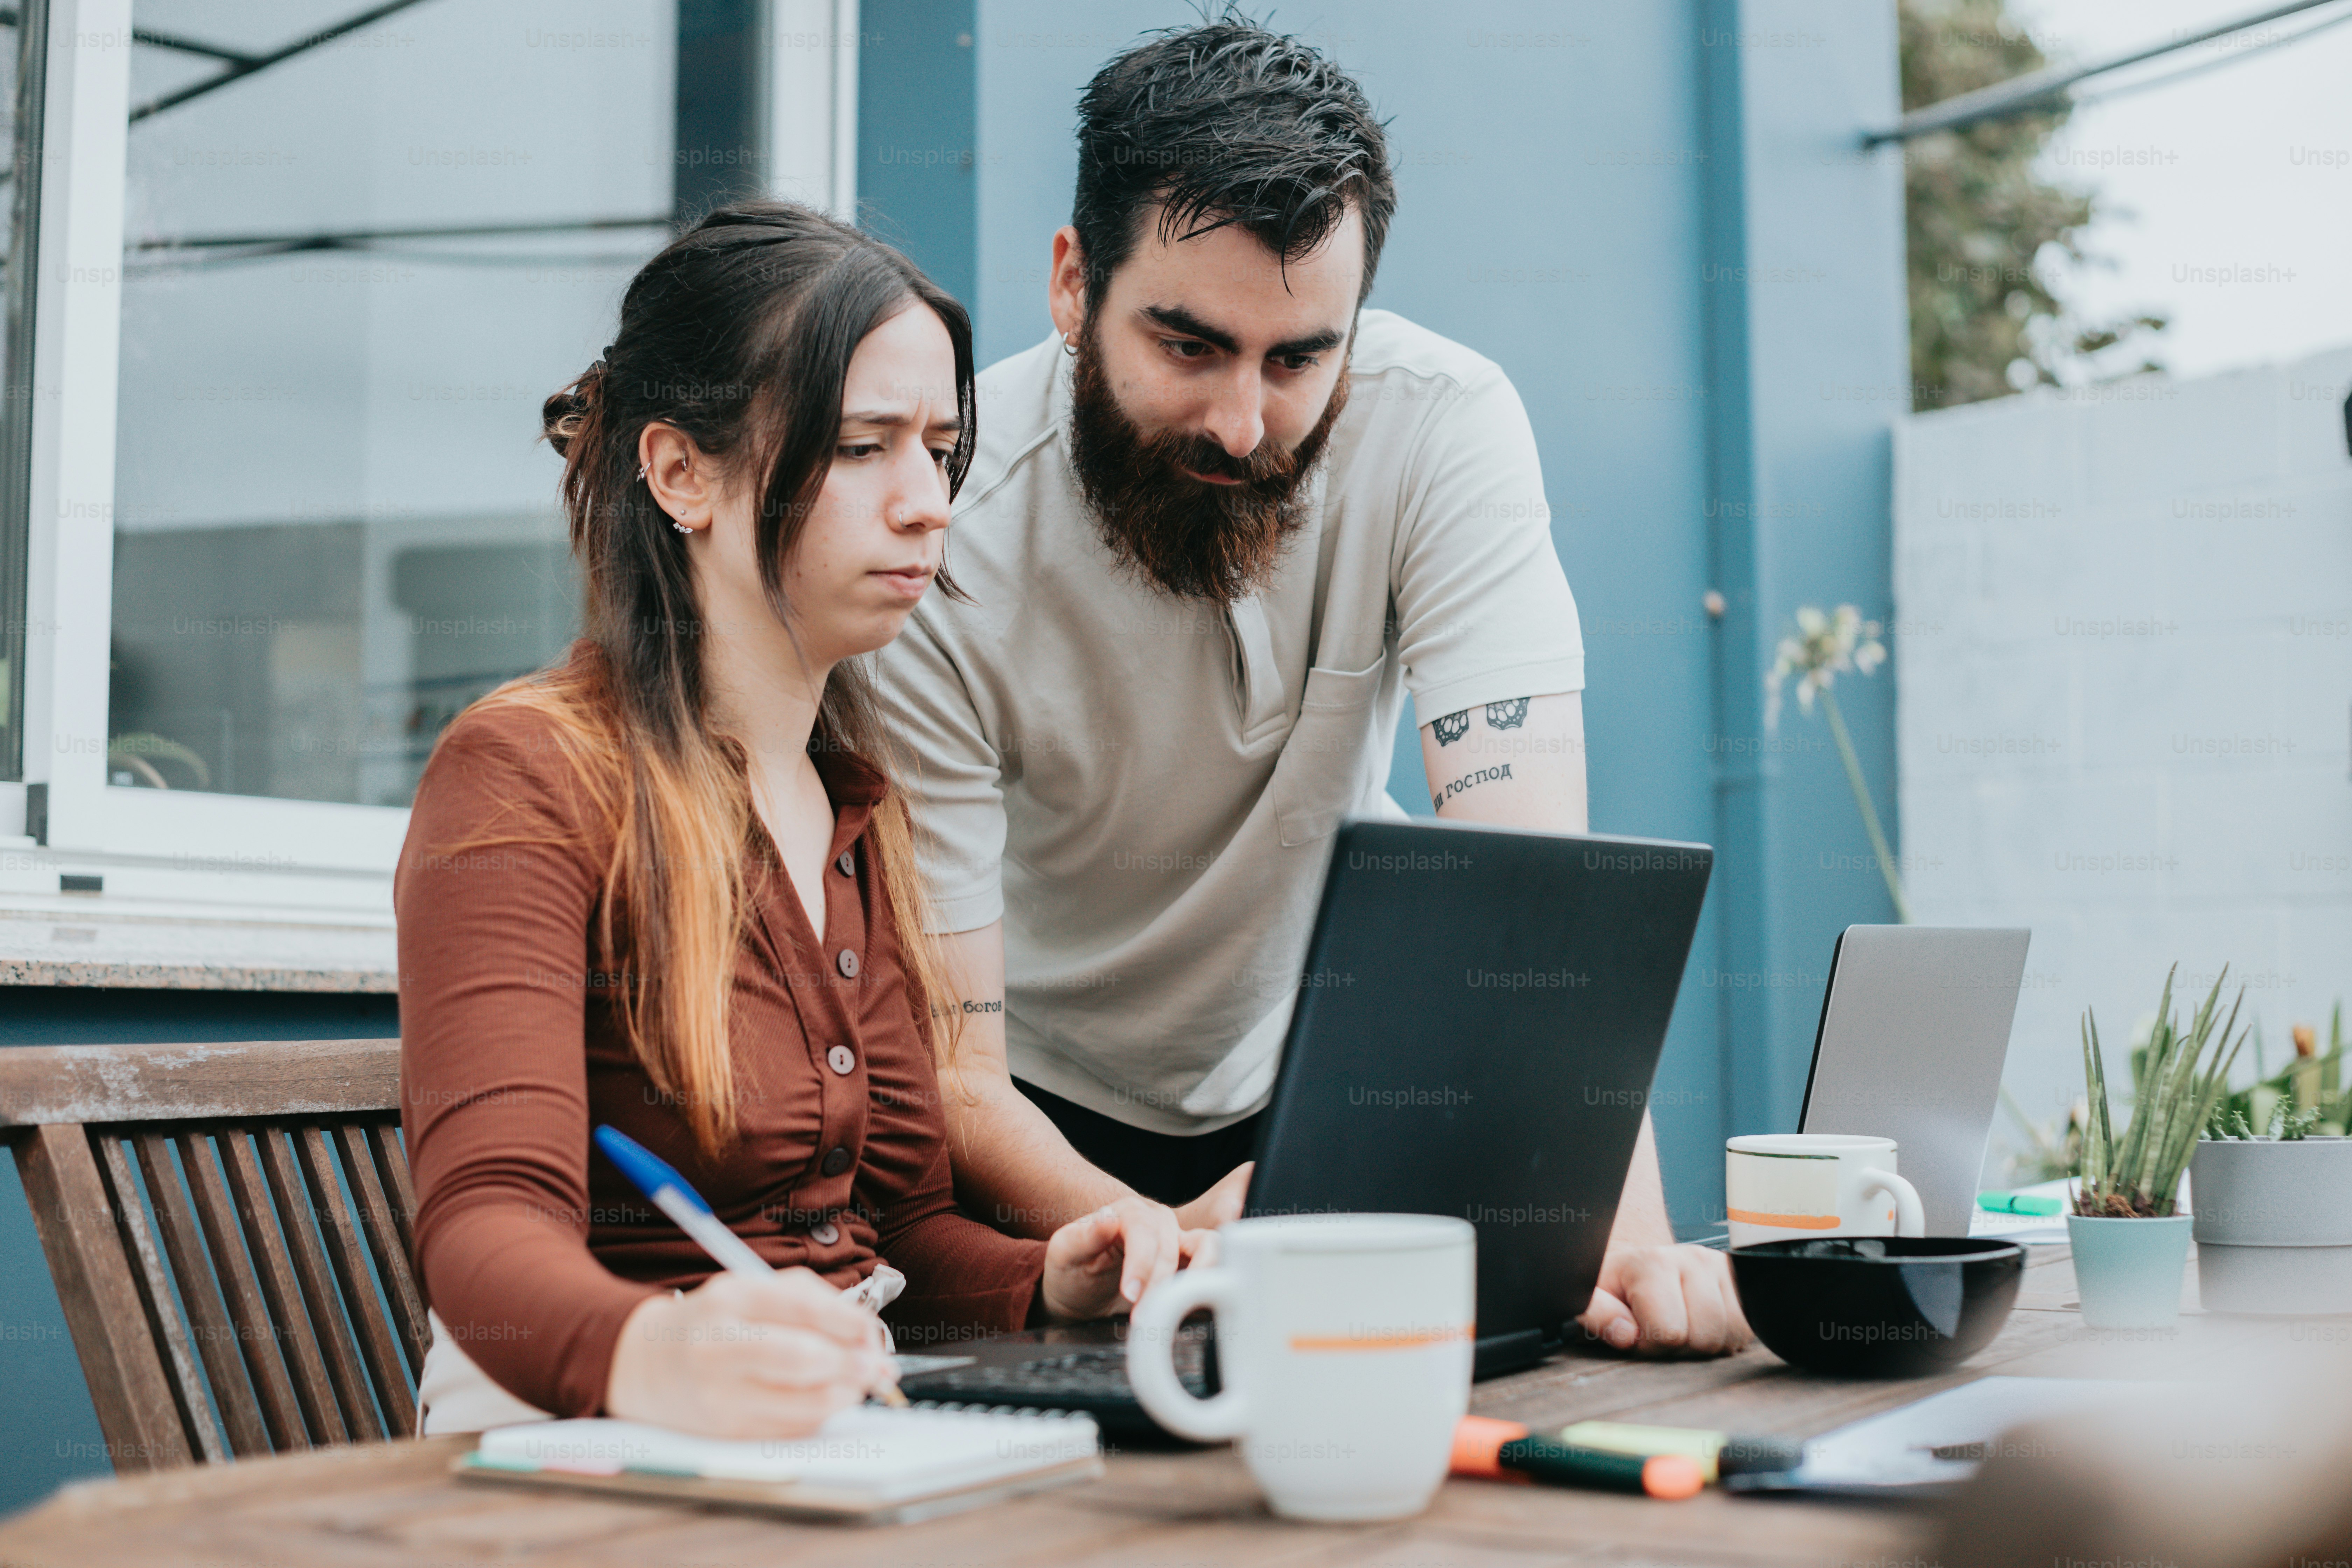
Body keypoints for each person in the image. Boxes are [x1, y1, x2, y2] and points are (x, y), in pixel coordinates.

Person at [876, 16, 1750, 1356]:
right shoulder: (945, 533)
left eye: (1299, 360)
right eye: (1189, 346)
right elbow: (957, 1068)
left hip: (1319, 1095)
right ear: (1070, 282)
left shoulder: (1444, 426)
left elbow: (1528, 905)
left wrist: (1620, 1235)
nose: (1243, 423)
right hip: (1034, 1122)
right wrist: (1157, 1249)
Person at [396, 202, 1197, 1439]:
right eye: (866, 446)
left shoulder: (855, 804)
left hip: (833, 1429)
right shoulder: (526, 775)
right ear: (680, 473)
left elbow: (899, 1240)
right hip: (593, 1441)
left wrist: (1047, 1276)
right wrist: (663, 1350)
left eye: (939, 448)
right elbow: (486, 1229)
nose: (928, 501)